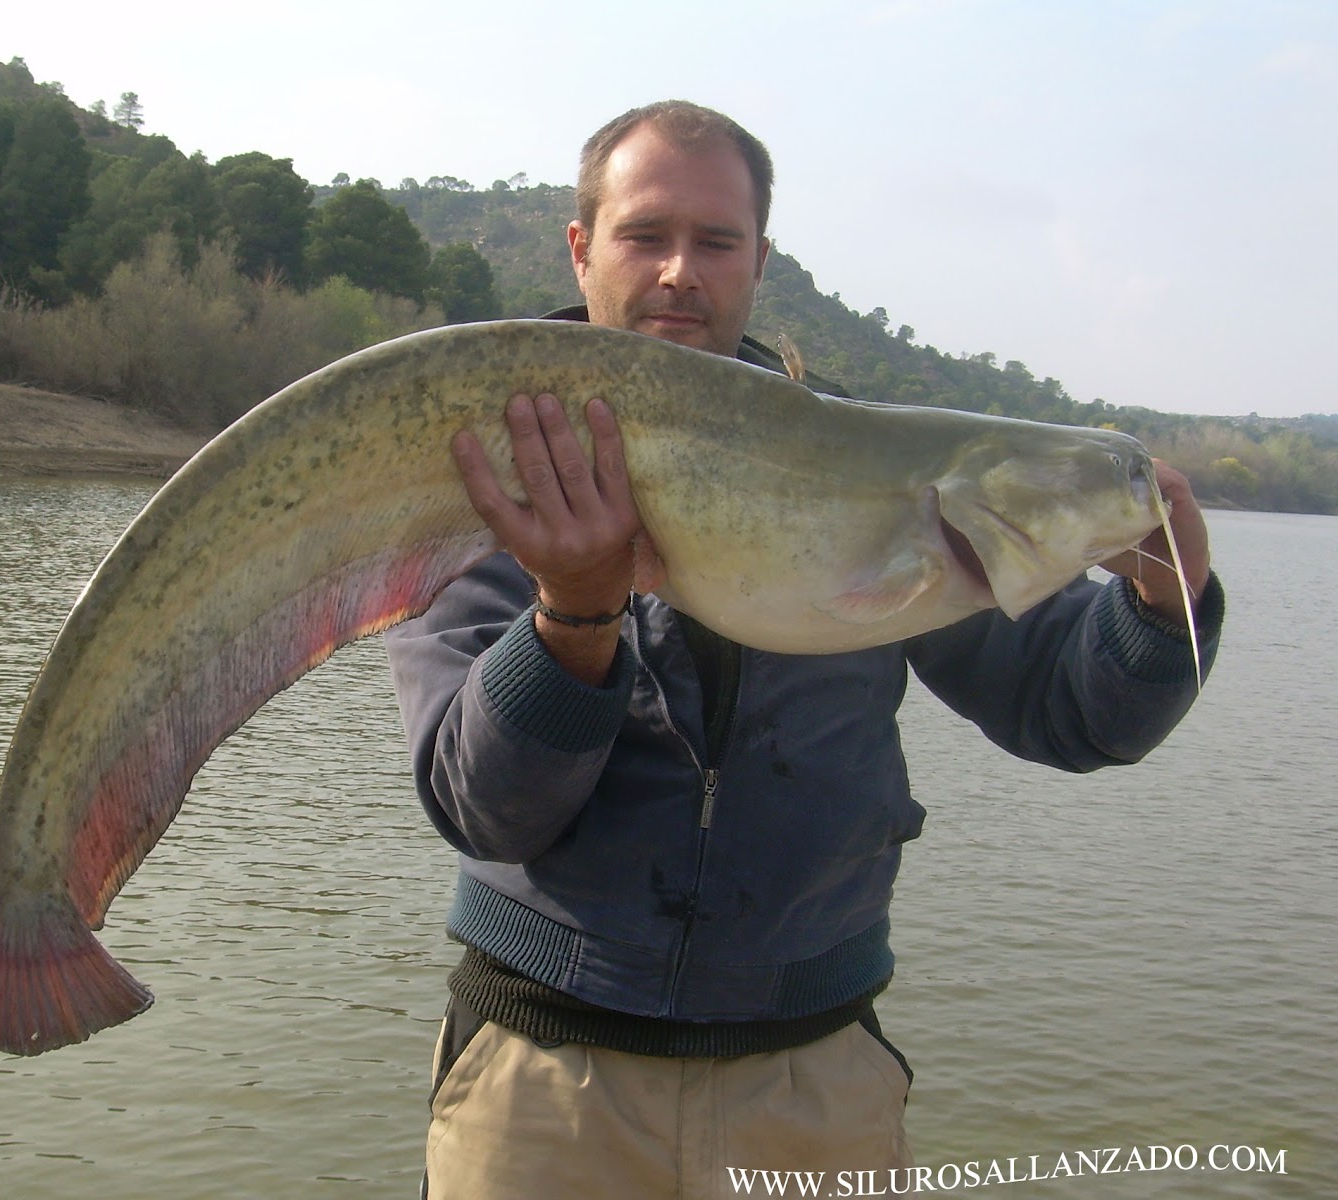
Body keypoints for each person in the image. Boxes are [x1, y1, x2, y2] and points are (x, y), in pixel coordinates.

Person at [385, 100, 1222, 1199]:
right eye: (646, 235)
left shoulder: (876, 471)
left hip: (812, 1084)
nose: (682, 271)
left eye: (717, 242)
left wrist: (1166, 613)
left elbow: (1074, 713)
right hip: (545, 1084)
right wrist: (573, 617)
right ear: (582, 248)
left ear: (760, 262)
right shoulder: (485, 455)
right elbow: (484, 806)